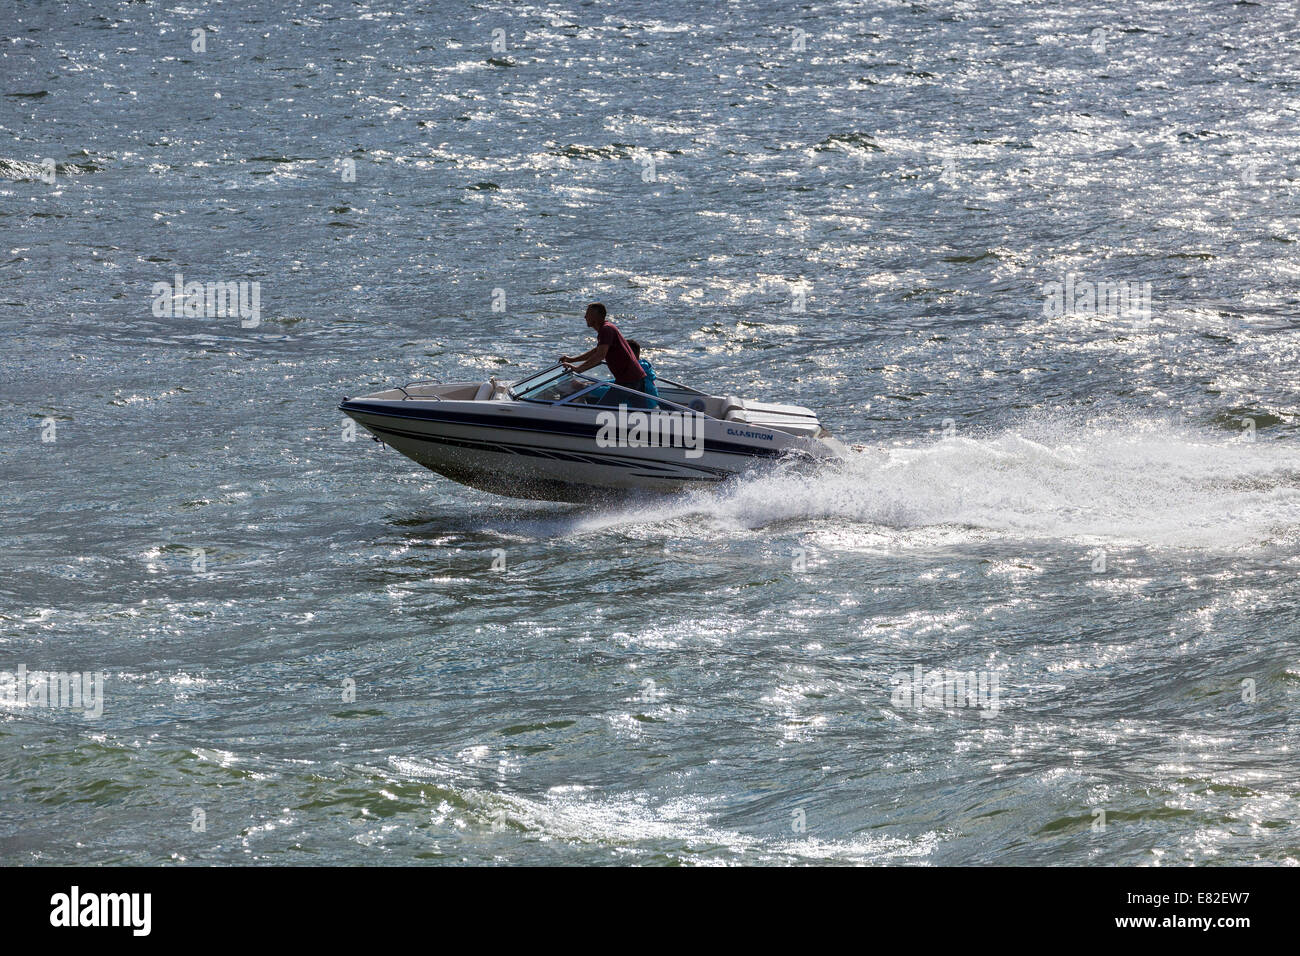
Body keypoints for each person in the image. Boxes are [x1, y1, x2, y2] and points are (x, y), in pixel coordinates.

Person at [559, 303, 647, 407]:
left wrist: (579, 369)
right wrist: (572, 360)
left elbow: (600, 356)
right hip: (636, 378)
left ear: (596, 316)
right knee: (642, 413)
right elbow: (597, 351)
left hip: (629, 381)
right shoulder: (607, 328)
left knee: (601, 411)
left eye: (588, 314)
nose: (585, 317)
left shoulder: (606, 329)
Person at [626, 339, 659, 409]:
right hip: (651, 404)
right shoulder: (643, 367)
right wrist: (602, 383)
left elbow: (621, 386)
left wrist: (596, 389)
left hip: (644, 409)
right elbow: (621, 382)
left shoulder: (636, 370)